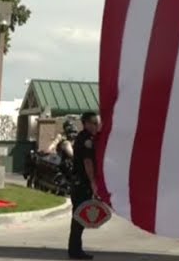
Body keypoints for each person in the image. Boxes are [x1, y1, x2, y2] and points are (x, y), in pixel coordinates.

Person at [68, 111, 99, 260]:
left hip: (78, 182)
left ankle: (75, 249)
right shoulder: (86, 140)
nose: (96, 125)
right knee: (79, 217)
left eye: (96, 123)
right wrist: (93, 182)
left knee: (78, 218)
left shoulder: (84, 137)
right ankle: (75, 251)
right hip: (82, 183)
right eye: (93, 123)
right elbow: (88, 162)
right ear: (85, 123)